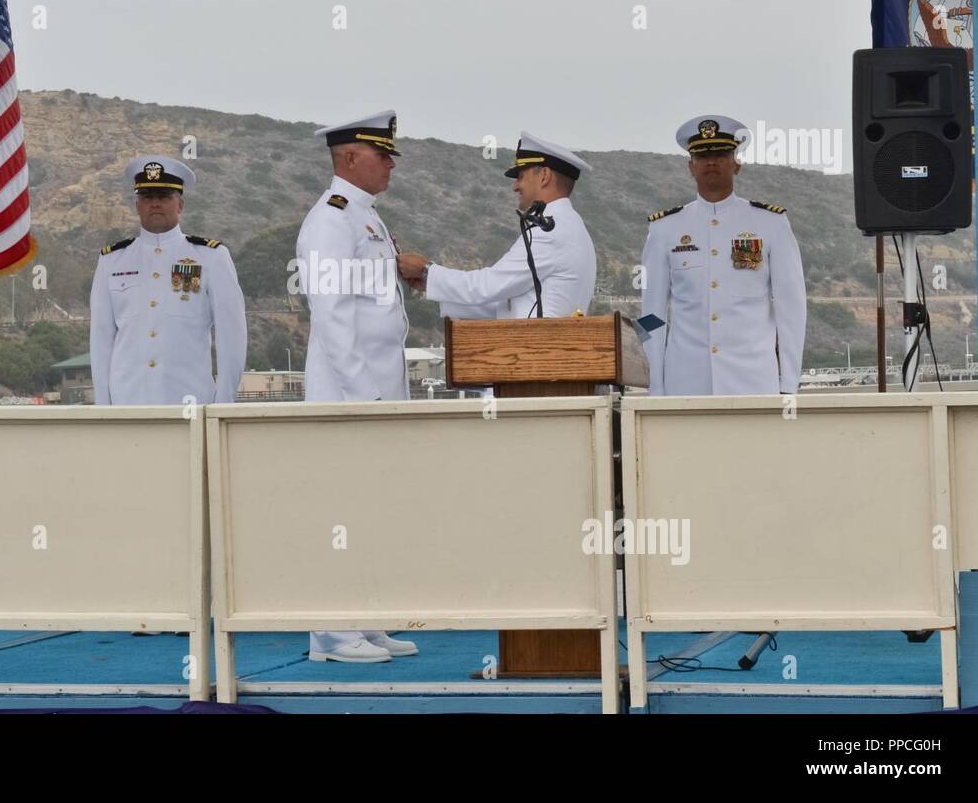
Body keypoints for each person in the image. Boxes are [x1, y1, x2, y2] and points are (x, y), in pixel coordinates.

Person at [296, 109, 417, 663]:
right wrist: (363, 395)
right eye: (381, 153)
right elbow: (332, 313)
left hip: (377, 388)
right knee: (339, 514)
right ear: (349, 158)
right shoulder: (331, 219)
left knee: (372, 509)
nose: (391, 163)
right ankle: (330, 631)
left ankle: (366, 619)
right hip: (349, 394)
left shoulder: (368, 219)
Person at [639, 115, 806, 396]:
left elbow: (792, 307)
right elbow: (651, 314)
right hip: (686, 382)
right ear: (691, 167)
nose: (711, 162)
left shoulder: (770, 223)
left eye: (720, 154)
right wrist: (656, 386)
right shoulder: (664, 229)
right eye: (702, 156)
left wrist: (788, 383)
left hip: (752, 381)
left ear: (736, 163)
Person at [90, 155, 246, 406]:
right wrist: (103, 407)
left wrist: (223, 404)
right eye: (148, 198)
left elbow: (232, 336)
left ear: (180, 205)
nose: (155, 204)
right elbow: (100, 338)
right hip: (128, 403)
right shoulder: (113, 261)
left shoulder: (210, 257)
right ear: (137, 205)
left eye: (164, 197)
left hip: (190, 401)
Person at [397, 132, 596, 319]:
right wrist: (429, 284)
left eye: (521, 176)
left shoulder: (550, 232)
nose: (515, 186)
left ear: (544, 176)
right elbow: (510, 306)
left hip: (537, 351)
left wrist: (427, 270)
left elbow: (489, 285)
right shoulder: (569, 225)